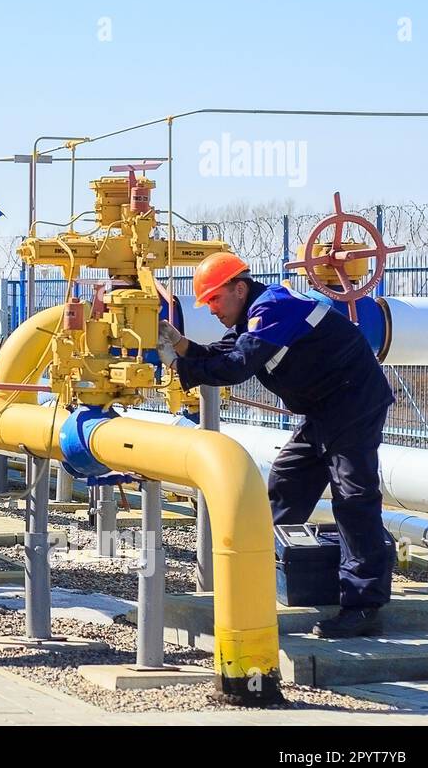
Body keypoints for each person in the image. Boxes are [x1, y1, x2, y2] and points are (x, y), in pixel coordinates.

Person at [158, 253, 395, 638]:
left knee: (353, 498)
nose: (212, 309)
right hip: (325, 408)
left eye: (215, 299)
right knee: (287, 481)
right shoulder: (255, 316)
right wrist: (184, 347)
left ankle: (364, 605)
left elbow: (237, 367)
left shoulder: (273, 307)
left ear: (239, 288)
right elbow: (227, 353)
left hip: (353, 402)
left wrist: (179, 366)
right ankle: (256, 578)